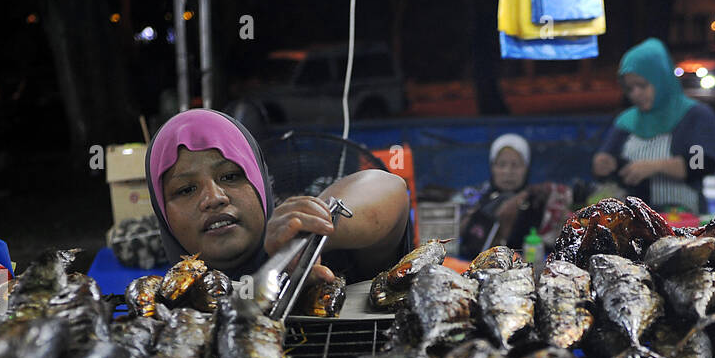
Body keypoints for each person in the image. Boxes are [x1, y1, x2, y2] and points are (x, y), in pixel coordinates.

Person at [145, 108, 410, 285]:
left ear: (261, 183)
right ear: (163, 214)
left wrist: (311, 234)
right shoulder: (165, 311)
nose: (214, 198)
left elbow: (389, 187)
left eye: (230, 176)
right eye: (186, 190)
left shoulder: (323, 258)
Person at [591, 38, 715, 214]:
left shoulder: (695, 116)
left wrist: (655, 167)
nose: (636, 94)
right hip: (636, 221)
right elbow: (607, 159)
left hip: (683, 220)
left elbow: (699, 164)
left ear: (661, 79)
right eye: (630, 88)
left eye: (642, 85)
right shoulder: (626, 121)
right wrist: (602, 164)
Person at [459, 134, 554, 258]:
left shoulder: (539, 202)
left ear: (526, 168)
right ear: (492, 167)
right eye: (501, 164)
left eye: (515, 165)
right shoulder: (472, 199)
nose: (508, 172)